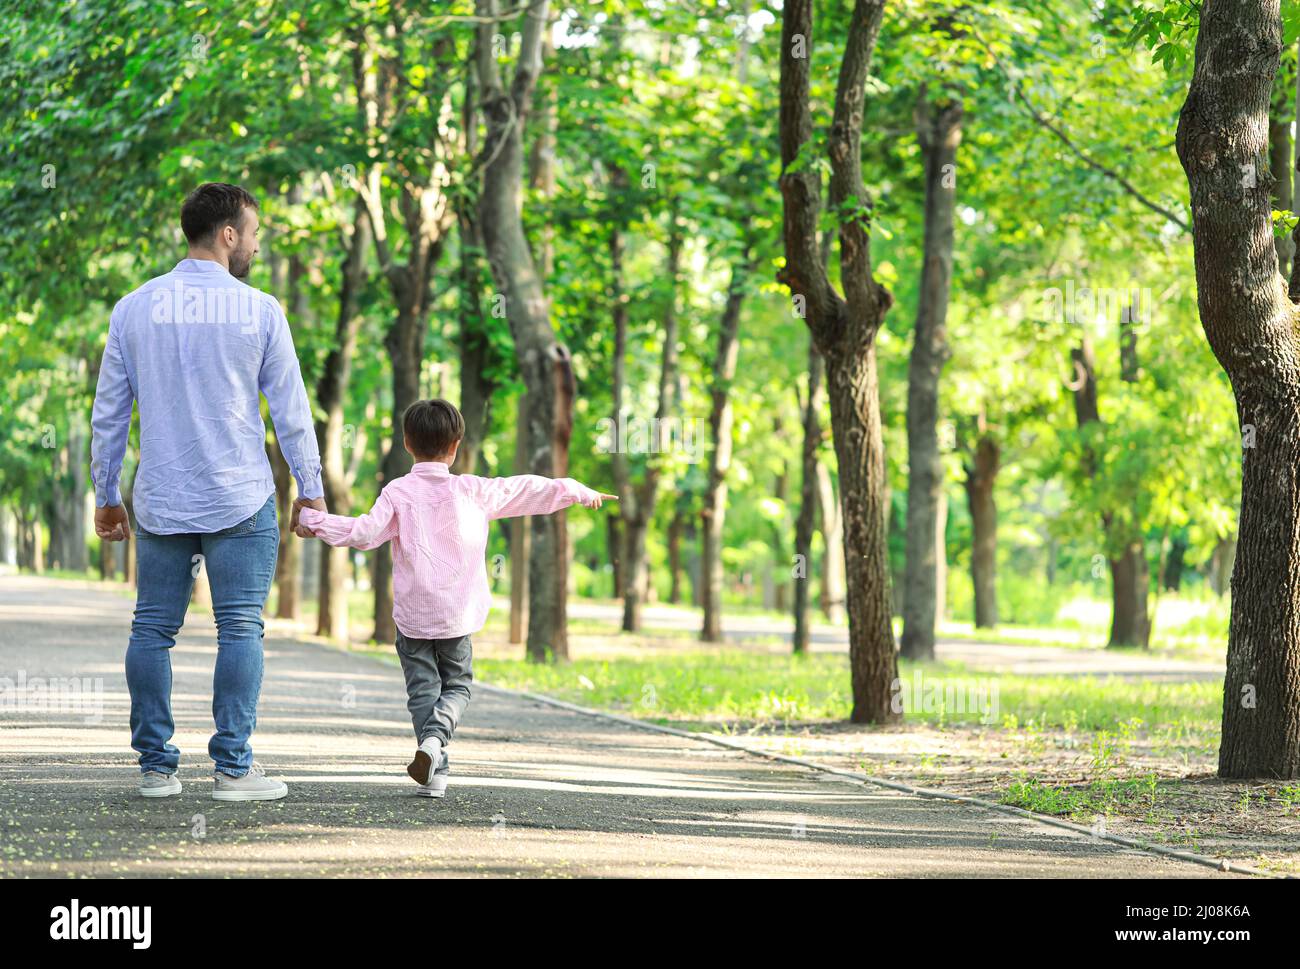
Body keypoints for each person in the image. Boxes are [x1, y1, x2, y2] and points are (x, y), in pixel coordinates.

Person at [90, 182, 325, 801]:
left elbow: (109, 415)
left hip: (162, 497)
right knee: (241, 628)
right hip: (241, 497)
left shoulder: (133, 309)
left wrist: (107, 492)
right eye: (251, 233)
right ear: (227, 234)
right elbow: (292, 412)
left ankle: (155, 769)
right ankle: (232, 769)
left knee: (151, 629)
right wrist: (312, 488)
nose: (253, 245)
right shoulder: (260, 310)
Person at [297, 399, 615, 797]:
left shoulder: (397, 492)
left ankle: (434, 768)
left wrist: (314, 521)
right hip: (457, 617)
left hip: (412, 616)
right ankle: (435, 744)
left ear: (407, 443)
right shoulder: (473, 490)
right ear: (456, 446)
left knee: (422, 690)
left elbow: (363, 534)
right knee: (458, 687)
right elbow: (527, 488)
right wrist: (572, 489)